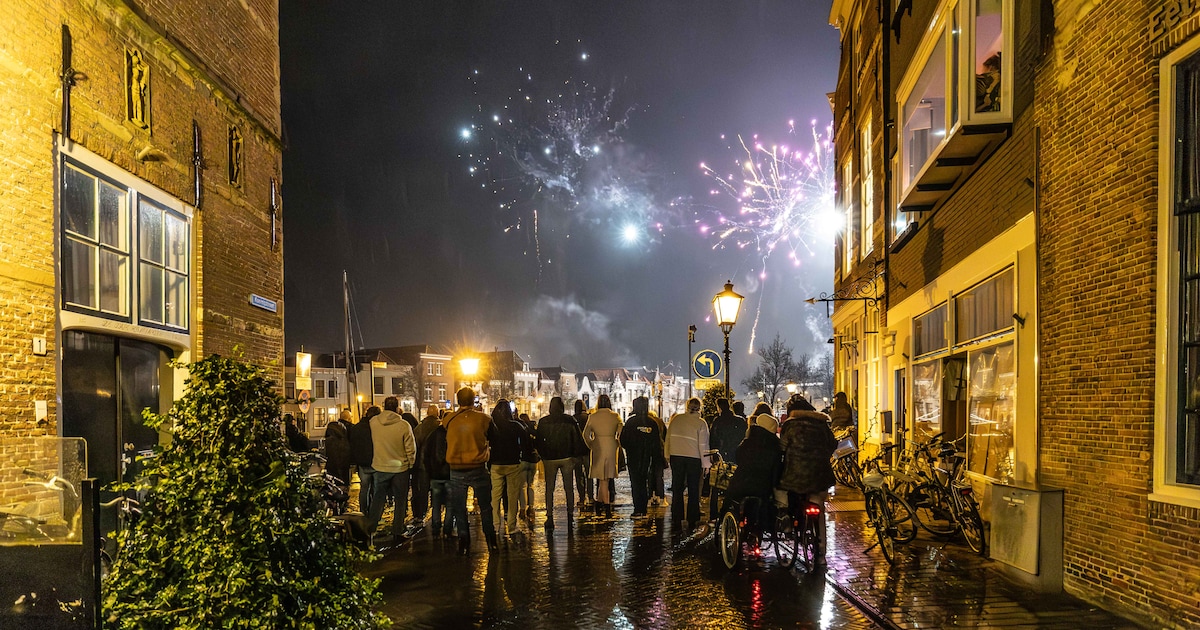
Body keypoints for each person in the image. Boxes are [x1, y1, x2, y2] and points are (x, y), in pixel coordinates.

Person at [778, 394, 838, 567]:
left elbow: (782, 447)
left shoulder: (790, 424)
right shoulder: (821, 424)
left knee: (792, 497)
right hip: (820, 475)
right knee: (819, 508)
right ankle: (821, 553)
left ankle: (792, 526)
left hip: (795, 476)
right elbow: (833, 444)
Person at [445, 387, 498, 554]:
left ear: (458, 400)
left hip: (456, 467)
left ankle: (464, 542)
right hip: (477, 466)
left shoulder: (448, 419)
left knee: (459, 508)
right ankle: (491, 541)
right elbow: (495, 438)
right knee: (485, 506)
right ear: (473, 400)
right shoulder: (484, 419)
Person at [367, 397, 417, 538]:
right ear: (397, 408)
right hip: (400, 468)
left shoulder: (373, 422)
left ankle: (371, 528)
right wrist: (411, 463)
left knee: (378, 499)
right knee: (400, 500)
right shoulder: (404, 425)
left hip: (380, 466)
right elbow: (410, 448)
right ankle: (397, 529)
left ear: (384, 407)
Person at [535, 396, 587, 530]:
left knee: (549, 488)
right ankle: (570, 515)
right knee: (568, 488)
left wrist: (543, 455)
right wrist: (576, 455)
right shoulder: (570, 420)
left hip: (550, 459)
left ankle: (549, 516)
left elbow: (538, 441)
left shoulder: (543, 421)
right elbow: (577, 439)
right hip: (567, 457)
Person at [721, 413, 782, 516]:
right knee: (764, 507)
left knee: (731, 501)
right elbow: (776, 468)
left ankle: (723, 518)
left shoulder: (749, 441)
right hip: (763, 485)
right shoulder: (775, 446)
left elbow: (738, 457)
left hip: (741, 482)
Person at [666, 397, 710, 534]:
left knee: (677, 487)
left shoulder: (676, 419)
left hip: (676, 456)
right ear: (699, 408)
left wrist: (667, 454)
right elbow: (703, 445)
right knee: (693, 488)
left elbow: (668, 437)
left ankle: (676, 516)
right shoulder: (701, 423)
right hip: (694, 458)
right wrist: (706, 464)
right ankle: (692, 518)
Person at [621, 396, 664, 518]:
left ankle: (638, 509)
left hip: (633, 456)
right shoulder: (652, 423)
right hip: (647, 457)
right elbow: (656, 442)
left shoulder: (630, 422)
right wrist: (656, 457)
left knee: (636, 482)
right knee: (645, 481)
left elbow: (623, 440)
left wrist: (630, 448)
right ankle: (643, 508)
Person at [489, 400, 526, 537]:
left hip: (496, 464)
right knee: (512, 496)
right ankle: (511, 525)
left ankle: (495, 524)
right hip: (512, 463)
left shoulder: (491, 427)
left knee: (495, 496)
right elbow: (526, 442)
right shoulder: (516, 426)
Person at [582, 394, 622, 519]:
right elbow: (621, 431)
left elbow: (585, 434)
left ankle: (603, 505)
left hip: (598, 446)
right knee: (606, 478)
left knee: (602, 478)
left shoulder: (593, 416)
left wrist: (591, 444)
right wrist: (617, 442)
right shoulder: (615, 416)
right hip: (611, 446)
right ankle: (603, 505)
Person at [411, 404, 442, 535]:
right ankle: (436, 515)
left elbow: (415, 446)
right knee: (437, 490)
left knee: (422, 490)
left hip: (422, 465)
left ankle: (420, 514)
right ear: (437, 414)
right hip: (438, 465)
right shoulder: (441, 427)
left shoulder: (419, 428)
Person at [422, 414, 454, 537]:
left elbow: (426, 454)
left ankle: (436, 528)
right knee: (450, 504)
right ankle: (448, 528)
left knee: (436, 503)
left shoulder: (433, 435)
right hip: (450, 474)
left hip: (435, 475)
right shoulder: (454, 434)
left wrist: (429, 471)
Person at [348, 406, 379, 514]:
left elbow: (353, 445)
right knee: (376, 489)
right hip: (376, 461)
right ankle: (374, 511)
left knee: (364, 488)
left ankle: (363, 511)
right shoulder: (377, 427)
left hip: (362, 463)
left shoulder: (357, 428)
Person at [572, 400, 593, 512]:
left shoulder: (573, 419)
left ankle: (581, 497)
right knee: (590, 474)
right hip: (587, 449)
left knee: (579, 475)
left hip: (576, 451)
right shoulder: (589, 417)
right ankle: (591, 496)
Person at [517, 412, 539, 518]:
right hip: (533, 460)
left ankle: (522, 508)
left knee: (522, 486)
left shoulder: (520, 429)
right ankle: (531, 507)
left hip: (523, 460)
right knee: (531, 485)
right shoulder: (533, 429)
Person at [324, 410, 353, 486]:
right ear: (349, 418)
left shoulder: (331, 432)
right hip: (344, 464)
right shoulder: (350, 430)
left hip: (331, 466)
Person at [648, 409, 667, 506]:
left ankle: (650, 496)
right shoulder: (660, 422)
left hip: (648, 451)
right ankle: (661, 497)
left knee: (649, 475)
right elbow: (665, 436)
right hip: (659, 450)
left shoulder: (647, 422)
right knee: (659, 475)